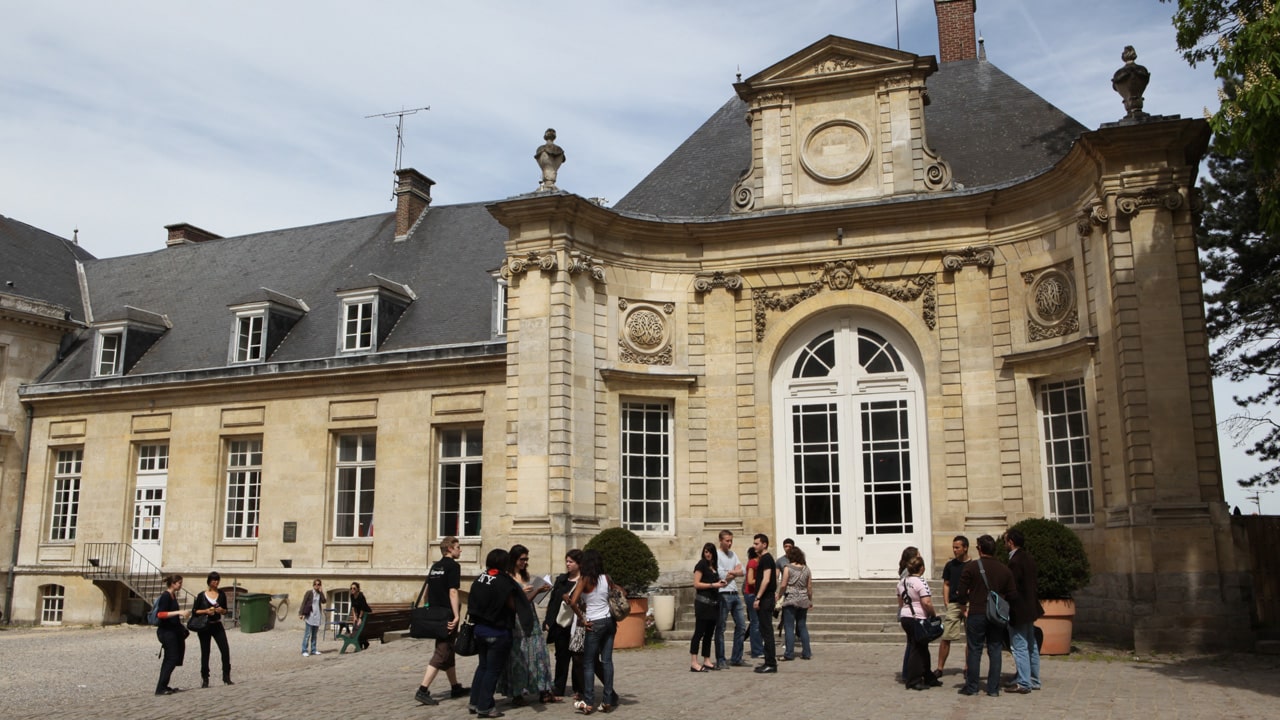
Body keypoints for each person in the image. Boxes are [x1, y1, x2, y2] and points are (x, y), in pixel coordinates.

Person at [956, 535, 1018, 697]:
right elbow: (1012, 594)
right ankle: (993, 688)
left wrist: (964, 606)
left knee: (975, 650)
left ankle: (972, 687)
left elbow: (961, 592)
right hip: (996, 615)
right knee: (995, 649)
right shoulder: (1004, 569)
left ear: (980, 549)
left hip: (976, 612)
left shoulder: (971, 567)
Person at [497, 544, 557, 705]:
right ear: (514, 559)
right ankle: (517, 692)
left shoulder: (525, 575)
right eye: (522, 559)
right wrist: (534, 592)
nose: (524, 562)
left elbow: (528, 600)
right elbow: (517, 602)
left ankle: (543, 689)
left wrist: (540, 590)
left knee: (538, 652)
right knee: (518, 655)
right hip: (516, 619)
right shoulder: (507, 576)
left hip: (530, 617)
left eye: (526, 559)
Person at [415, 536, 470, 706]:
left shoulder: (435, 566)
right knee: (442, 651)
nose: (460, 550)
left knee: (448, 649)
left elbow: (427, 591)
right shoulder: (453, 566)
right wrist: (456, 615)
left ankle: (455, 687)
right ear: (449, 549)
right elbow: (453, 592)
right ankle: (422, 690)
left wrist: (428, 609)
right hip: (446, 613)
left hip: (435, 613)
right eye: (458, 547)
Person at [468, 548, 522, 719]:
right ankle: (485, 706)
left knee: (482, 667)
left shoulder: (481, 578)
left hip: (479, 629)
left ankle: (474, 702)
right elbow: (513, 606)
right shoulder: (504, 582)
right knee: (492, 670)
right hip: (497, 631)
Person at [567, 549, 619, 714]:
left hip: (594, 622)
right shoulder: (607, 578)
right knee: (607, 661)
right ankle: (607, 700)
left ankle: (589, 702)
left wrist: (582, 619)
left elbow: (573, 601)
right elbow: (616, 593)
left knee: (588, 663)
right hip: (609, 621)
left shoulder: (585, 579)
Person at [1005, 528, 1043, 694]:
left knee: (1019, 646)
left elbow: (1012, 588)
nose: (1005, 544)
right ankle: (1033, 678)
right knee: (1031, 644)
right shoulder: (1028, 557)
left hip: (1019, 609)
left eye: (1006, 541)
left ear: (1011, 542)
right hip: (1030, 607)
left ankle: (1024, 682)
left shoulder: (1015, 561)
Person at [897, 556, 941, 690]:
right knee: (917, 648)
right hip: (918, 617)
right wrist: (933, 614)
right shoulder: (920, 582)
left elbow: (900, 602)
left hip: (905, 616)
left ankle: (928, 676)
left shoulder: (902, 582)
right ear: (921, 568)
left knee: (921, 647)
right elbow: (926, 602)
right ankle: (913, 680)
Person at [544, 549, 584, 699]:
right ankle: (558, 687)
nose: (568, 564)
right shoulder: (561, 579)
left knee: (577, 657)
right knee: (561, 657)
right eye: (566, 561)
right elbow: (553, 601)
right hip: (561, 623)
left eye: (571, 562)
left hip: (577, 624)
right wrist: (548, 621)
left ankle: (578, 688)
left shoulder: (584, 580)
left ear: (579, 564)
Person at [191, 570, 232, 688]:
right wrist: (206, 611)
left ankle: (226, 676)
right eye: (214, 580)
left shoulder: (222, 594)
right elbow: (195, 611)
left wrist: (221, 611)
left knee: (225, 650)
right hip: (204, 626)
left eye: (217, 580)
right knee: (205, 652)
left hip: (217, 624)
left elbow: (225, 610)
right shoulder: (201, 595)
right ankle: (205, 678)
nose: (216, 582)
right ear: (209, 582)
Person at [936, 535, 969, 680]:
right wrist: (946, 601)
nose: (955, 550)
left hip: (969, 604)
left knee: (971, 637)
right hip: (954, 604)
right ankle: (939, 667)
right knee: (946, 636)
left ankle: (968, 667)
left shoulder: (972, 565)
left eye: (957, 547)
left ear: (965, 548)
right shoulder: (950, 565)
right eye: (953, 547)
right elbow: (946, 584)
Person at [154, 574, 192, 695]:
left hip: (173, 631)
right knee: (171, 658)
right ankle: (160, 688)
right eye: (179, 583)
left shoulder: (173, 595)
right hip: (166, 632)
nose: (181, 585)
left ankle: (163, 685)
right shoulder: (166, 596)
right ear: (173, 583)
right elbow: (160, 614)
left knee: (171, 658)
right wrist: (179, 612)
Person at [713, 530, 747, 668]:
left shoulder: (733, 554)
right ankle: (720, 659)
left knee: (741, 625)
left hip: (734, 592)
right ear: (721, 540)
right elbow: (721, 575)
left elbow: (743, 570)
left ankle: (736, 657)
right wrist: (734, 572)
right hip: (723, 592)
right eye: (727, 540)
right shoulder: (717, 555)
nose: (730, 543)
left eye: (731, 540)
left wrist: (733, 572)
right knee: (721, 627)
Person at [690, 542, 724, 672]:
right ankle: (694, 662)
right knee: (699, 632)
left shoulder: (714, 566)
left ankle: (707, 660)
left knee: (709, 634)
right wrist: (712, 585)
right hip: (703, 604)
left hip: (714, 604)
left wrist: (720, 583)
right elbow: (696, 584)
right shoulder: (701, 564)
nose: (708, 554)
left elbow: (715, 583)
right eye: (706, 551)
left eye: (710, 551)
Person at [778, 546, 813, 661]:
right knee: (802, 626)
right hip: (803, 599)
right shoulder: (806, 569)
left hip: (791, 599)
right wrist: (810, 600)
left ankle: (789, 653)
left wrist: (779, 596)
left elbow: (783, 584)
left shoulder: (788, 568)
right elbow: (809, 587)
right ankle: (807, 652)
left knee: (789, 627)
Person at [751, 533, 778, 673]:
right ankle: (768, 660)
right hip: (766, 598)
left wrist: (758, 598)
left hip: (766, 599)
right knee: (764, 630)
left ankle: (771, 663)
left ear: (764, 544)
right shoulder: (764, 559)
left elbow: (766, 579)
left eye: (757, 543)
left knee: (767, 631)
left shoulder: (766, 559)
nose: (754, 546)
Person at [896, 546, 920, 683]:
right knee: (912, 644)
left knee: (911, 643)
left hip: (907, 611)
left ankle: (909, 672)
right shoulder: (907, 574)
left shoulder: (905, 572)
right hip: (910, 612)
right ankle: (908, 672)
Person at [742, 546, 764, 659]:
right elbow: (750, 581)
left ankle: (759, 647)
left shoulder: (759, 563)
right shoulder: (752, 563)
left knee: (758, 622)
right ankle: (757, 650)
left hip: (756, 594)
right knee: (755, 623)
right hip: (751, 594)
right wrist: (763, 580)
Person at [298, 579, 325, 656]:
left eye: (319, 584)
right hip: (310, 615)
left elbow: (324, 601)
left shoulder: (320, 594)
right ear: (313, 585)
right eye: (316, 584)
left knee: (314, 634)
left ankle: (313, 649)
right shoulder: (309, 593)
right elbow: (304, 602)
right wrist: (301, 613)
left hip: (317, 615)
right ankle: (304, 650)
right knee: (307, 634)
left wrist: (321, 592)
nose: (317, 586)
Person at [349, 581, 372, 650]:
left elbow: (363, 608)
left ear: (358, 589)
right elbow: (353, 607)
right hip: (359, 613)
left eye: (354, 588)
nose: (352, 590)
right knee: (356, 625)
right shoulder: (352, 596)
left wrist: (360, 618)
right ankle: (362, 643)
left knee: (359, 626)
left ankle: (361, 644)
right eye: (351, 588)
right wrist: (354, 617)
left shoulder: (361, 596)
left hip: (366, 614)